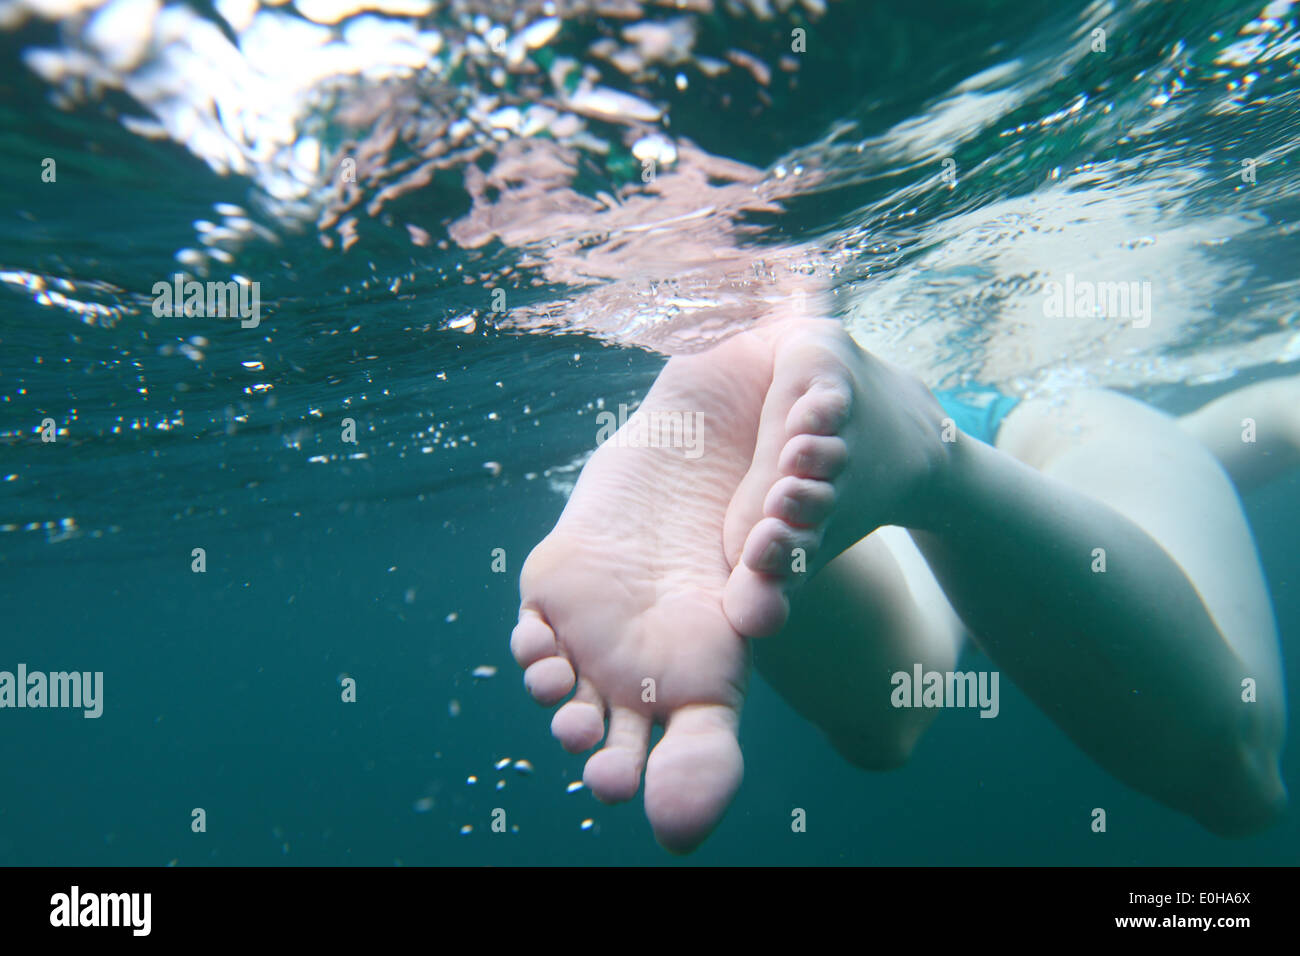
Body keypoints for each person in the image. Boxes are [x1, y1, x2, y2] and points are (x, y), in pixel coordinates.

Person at [510, 315, 1292, 854]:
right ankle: (936, 469)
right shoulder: (1141, 443)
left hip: (852, 436)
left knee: (888, 724)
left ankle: (796, 495)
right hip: (1041, 417)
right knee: (1239, 781)